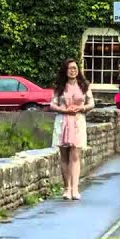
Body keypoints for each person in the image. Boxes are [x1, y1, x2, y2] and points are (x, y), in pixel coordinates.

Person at [51, 58, 95, 200]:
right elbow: (52, 104)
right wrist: (62, 109)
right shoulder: (59, 86)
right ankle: (66, 188)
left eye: (75, 68)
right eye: (70, 68)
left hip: (78, 121)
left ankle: (75, 188)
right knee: (64, 156)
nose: (72, 71)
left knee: (75, 155)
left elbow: (91, 103)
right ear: (66, 70)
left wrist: (81, 108)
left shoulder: (84, 86)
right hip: (63, 121)